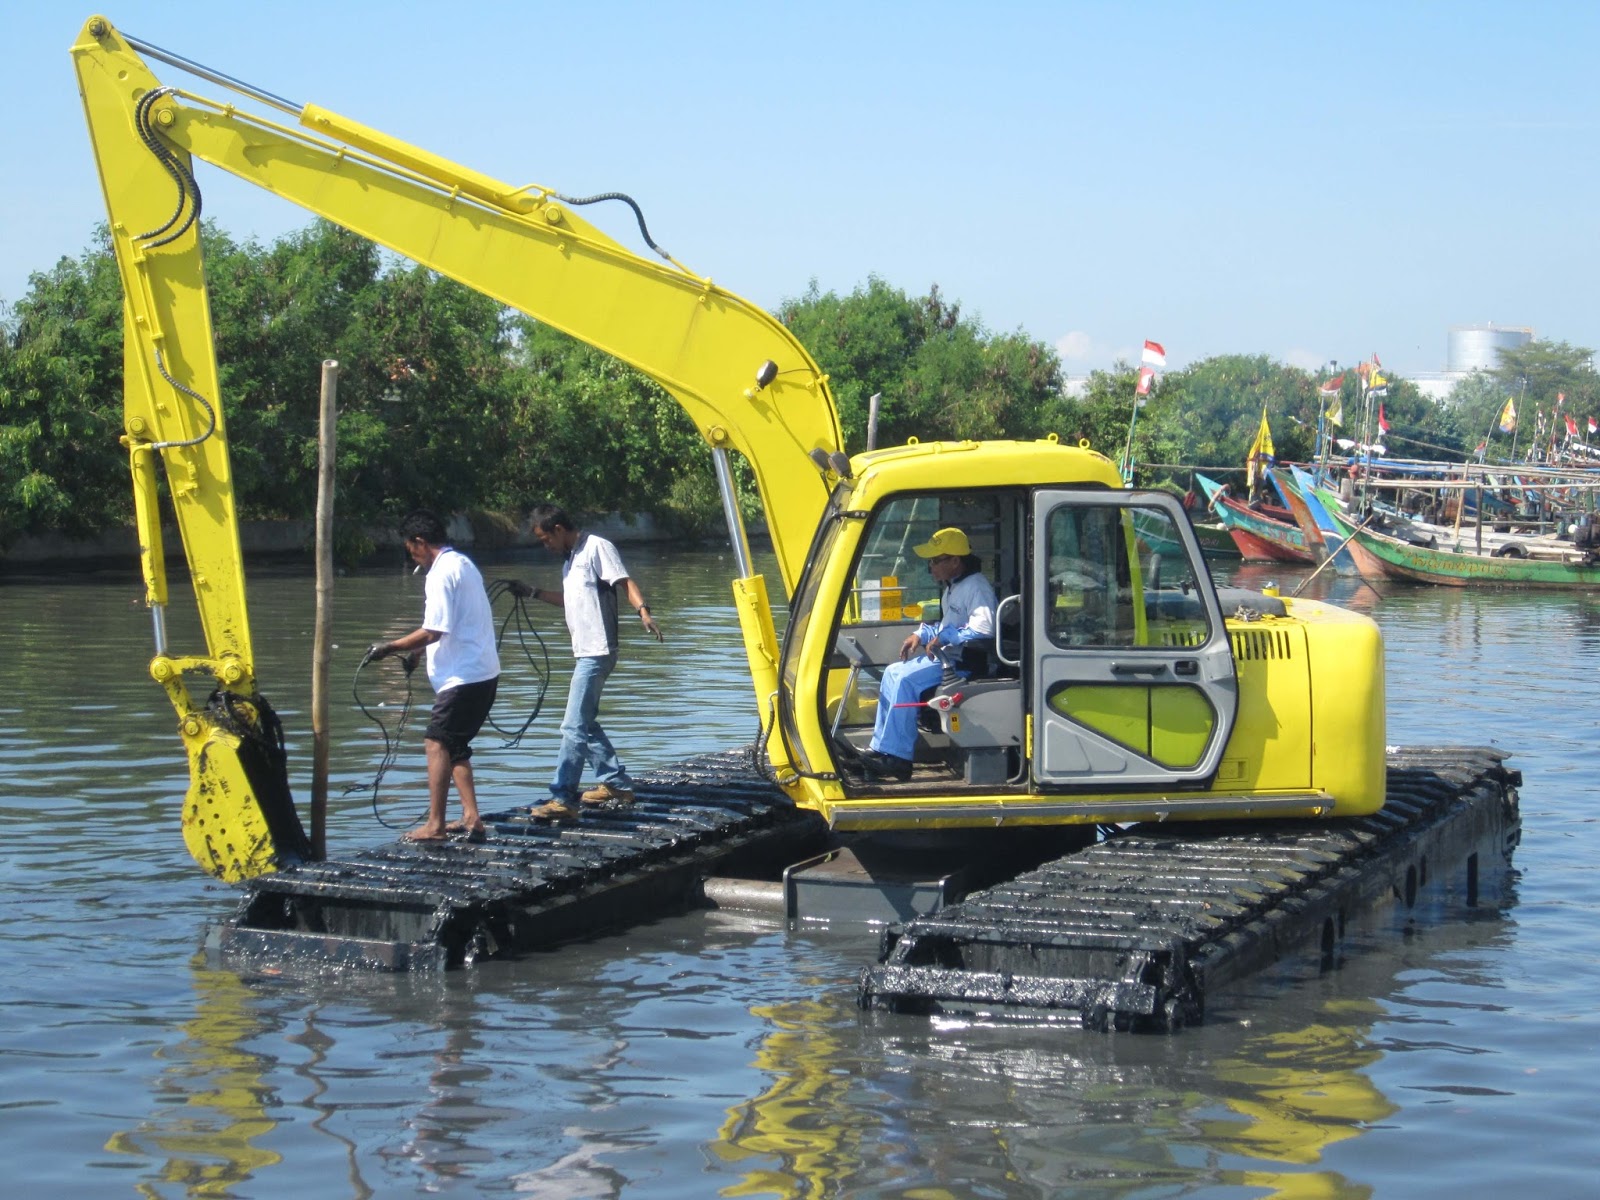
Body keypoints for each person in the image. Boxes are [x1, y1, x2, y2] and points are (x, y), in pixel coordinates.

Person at [514, 505, 663, 822]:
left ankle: (563, 798)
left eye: (545, 539)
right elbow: (570, 600)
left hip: (599, 650)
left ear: (558, 529)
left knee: (572, 726)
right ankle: (616, 784)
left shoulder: (597, 547)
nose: (546, 546)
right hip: (584, 651)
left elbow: (625, 582)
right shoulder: (569, 561)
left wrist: (643, 612)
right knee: (584, 722)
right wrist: (532, 592)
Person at [367, 509, 500, 843]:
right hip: (482, 673)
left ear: (420, 542)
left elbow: (434, 630)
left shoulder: (440, 574)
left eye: (410, 548)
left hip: (464, 678)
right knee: (454, 745)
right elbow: (452, 624)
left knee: (435, 742)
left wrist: (390, 647)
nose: (411, 555)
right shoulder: (464, 564)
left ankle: (435, 826)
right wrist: (415, 654)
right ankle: (472, 818)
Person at [860, 527, 997, 782]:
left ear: (955, 561)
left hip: (962, 663)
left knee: (905, 680)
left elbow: (984, 629)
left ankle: (899, 759)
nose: (930, 567)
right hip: (947, 657)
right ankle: (881, 748)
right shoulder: (952, 588)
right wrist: (922, 635)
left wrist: (944, 637)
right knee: (892, 672)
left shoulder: (976, 587)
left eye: (935, 561)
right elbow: (948, 624)